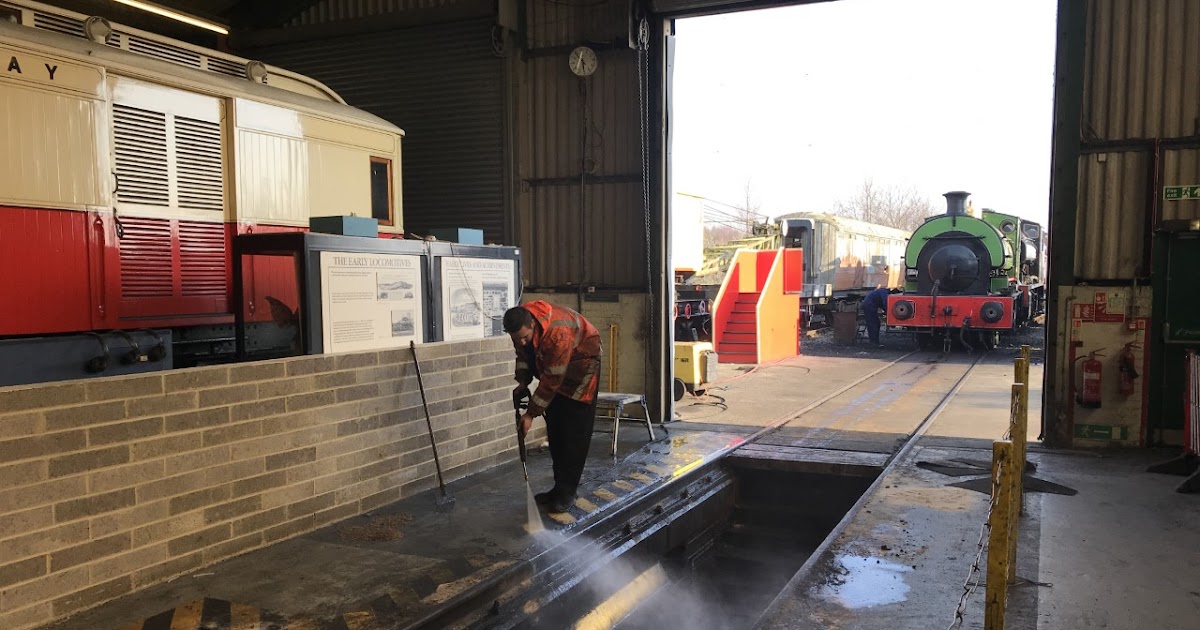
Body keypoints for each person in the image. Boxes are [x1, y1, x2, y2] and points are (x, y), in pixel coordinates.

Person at [505, 301, 602, 513]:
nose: (520, 342)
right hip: (555, 372)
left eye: (524, 337)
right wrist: (522, 382)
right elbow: (523, 356)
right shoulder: (521, 328)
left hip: (580, 371)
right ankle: (559, 488)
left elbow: (552, 378)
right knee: (556, 430)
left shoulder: (558, 332)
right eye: (516, 339)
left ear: (532, 324)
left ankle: (567, 492)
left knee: (573, 434)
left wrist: (530, 414)